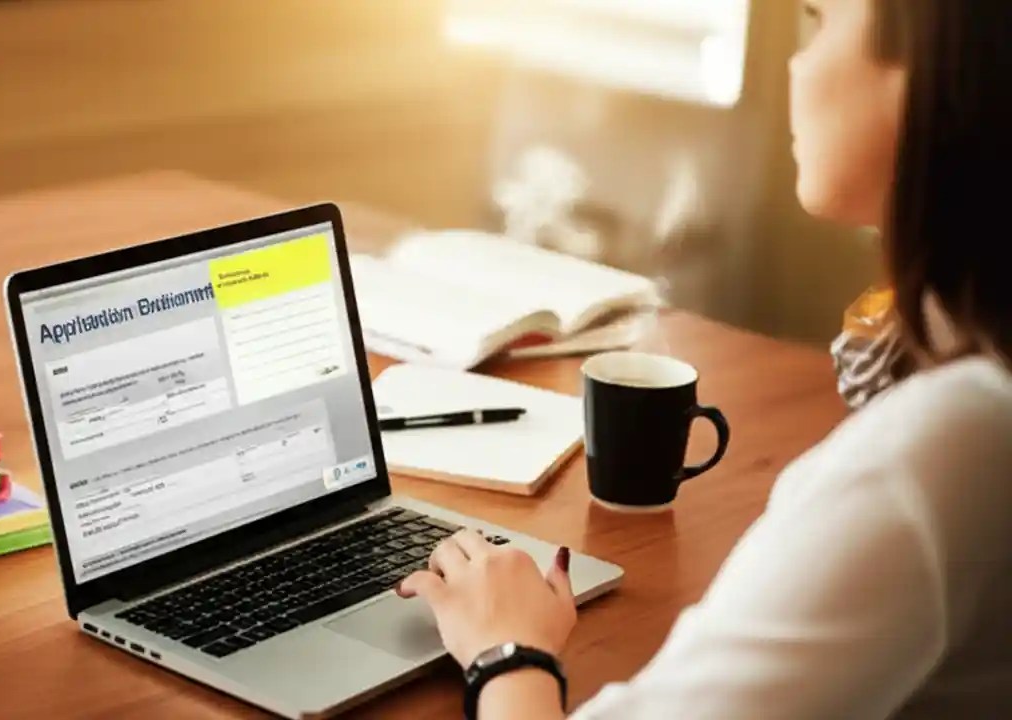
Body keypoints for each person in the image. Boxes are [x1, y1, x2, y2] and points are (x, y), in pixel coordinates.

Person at [396, 1, 1012, 717]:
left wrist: (507, 649)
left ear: (934, 69)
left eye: (818, 23)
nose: (794, 64)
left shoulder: (939, 452)